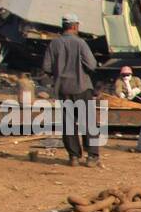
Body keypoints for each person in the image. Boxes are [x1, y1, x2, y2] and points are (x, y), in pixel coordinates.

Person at [42, 13, 100, 167]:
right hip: (81, 87)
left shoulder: (54, 44)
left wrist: (59, 72)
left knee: (68, 123)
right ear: (75, 26)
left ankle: (74, 157)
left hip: (63, 89)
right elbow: (92, 65)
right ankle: (92, 157)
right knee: (88, 122)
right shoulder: (80, 43)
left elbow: (46, 67)